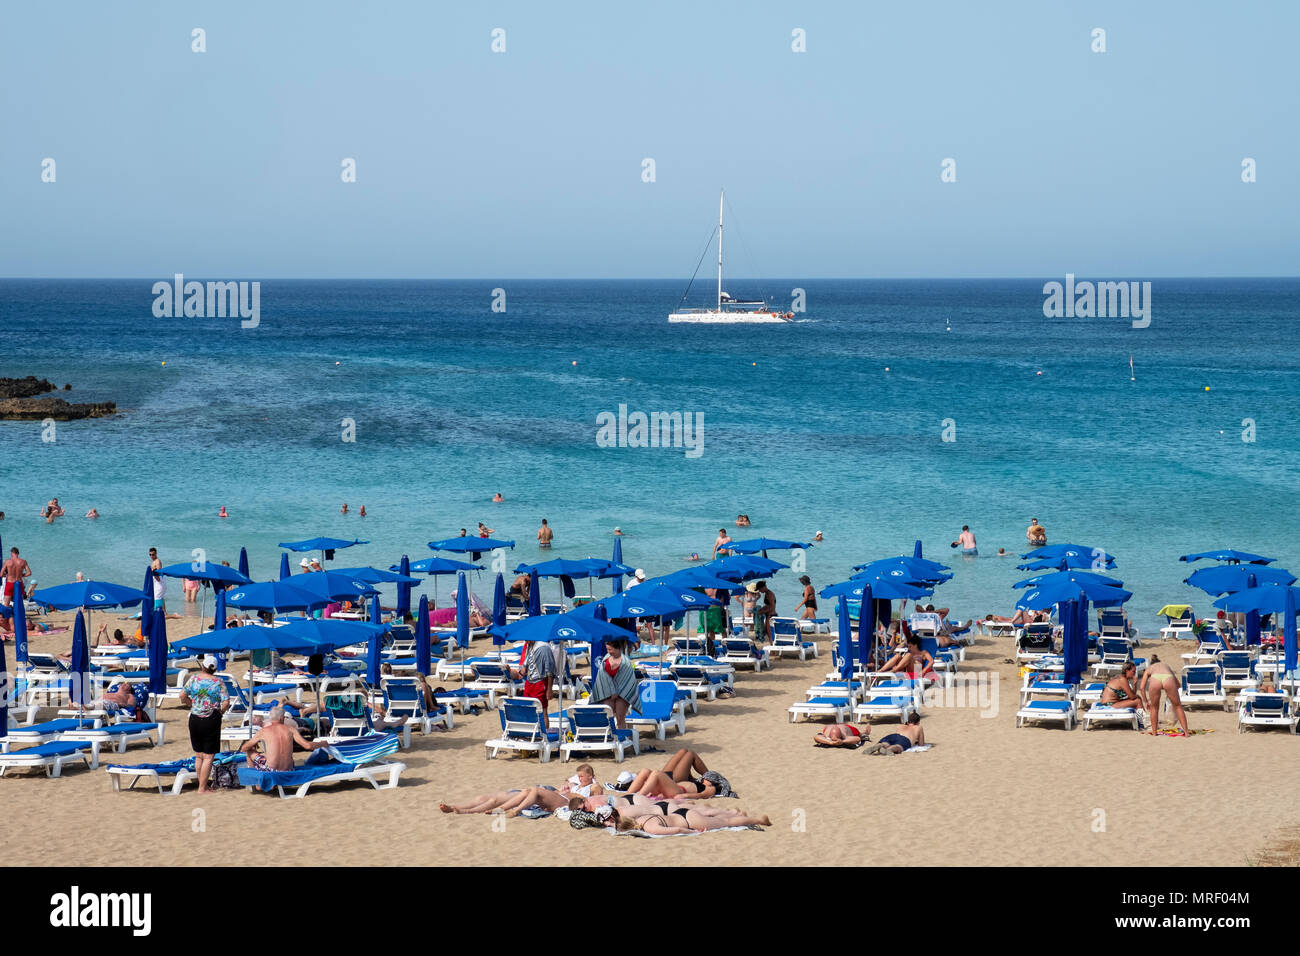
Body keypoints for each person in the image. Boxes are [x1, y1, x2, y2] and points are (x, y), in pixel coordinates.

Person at [179, 656, 230, 794]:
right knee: (208, 756)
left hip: (194, 717)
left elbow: (182, 695)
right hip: (211, 718)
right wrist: (220, 712)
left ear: (203, 666)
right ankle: (202, 787)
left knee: (199, 755)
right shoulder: (218, 682)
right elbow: (226, 702)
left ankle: (202, 785)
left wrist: (192, 705)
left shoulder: (194, 679)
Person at [239, 704, 329, 771]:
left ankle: (253, 776)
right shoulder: (290, 729)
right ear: (282, 718)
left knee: (249, 752)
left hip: (271, 770)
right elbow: (308, 746)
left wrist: (252, 746)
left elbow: (244, 748)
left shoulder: (263, 731)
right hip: (288, 769)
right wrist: (322, 743)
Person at [1139, 654, 1189, 736]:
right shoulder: (1166, 666)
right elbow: (1178, 685)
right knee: (1178, 706)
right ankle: (1186, 732)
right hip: (1168, 678)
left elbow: (1141, 688)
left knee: (1154, 708)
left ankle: (1154, 733)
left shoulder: (1149, 668)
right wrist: (1169, 694)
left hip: (1155, 679)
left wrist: (1145, 701)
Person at [591, 638, 637, 728]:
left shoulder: (625, 662)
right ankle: (611, 737)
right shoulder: (606, 659)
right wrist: (611, 691)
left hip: (622, 694)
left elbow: (627, 680)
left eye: (610, 649)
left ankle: (623, 738)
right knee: (608, 717)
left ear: (617, 648)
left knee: (620, 718)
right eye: (607, 649)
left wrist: (616, 692)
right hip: (608, 693)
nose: (608, 651)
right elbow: (602, 677)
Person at [508, 639, 557, 713]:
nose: (525, 641)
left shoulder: (544, 647)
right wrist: (509, 671)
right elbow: (523, 672)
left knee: (542, 712)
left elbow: (550, 670)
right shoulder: (529, 646)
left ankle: (542, 725)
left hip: (540, 682)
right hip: (529, 683)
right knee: (528, 710)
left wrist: (549, 689)